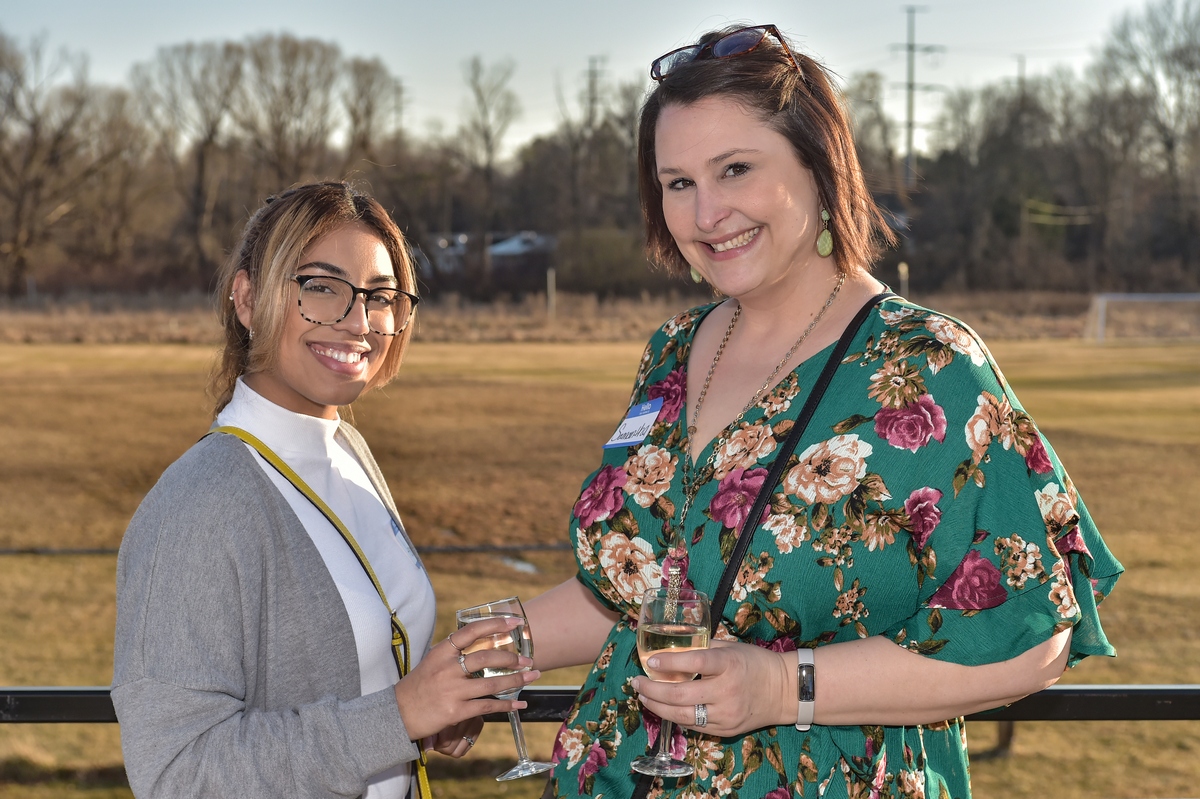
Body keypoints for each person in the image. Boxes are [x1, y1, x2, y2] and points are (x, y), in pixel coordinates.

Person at [524, 25, 1122, 799]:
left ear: (817, 163)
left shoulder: (927, 362)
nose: (706, 214)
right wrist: (492, 646)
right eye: (678, 183)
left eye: (735, 169)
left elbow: (1034, 632)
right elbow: (631, 589)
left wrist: (782, 686)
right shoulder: (672, 351)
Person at [112, 181, 539, 799]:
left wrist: (433, 708)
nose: (359, 321)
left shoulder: (347, 451)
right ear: (249, 299)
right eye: (320, 286)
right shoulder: (198, 506)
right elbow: (178, 772)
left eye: (380, 296)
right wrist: (399, 716)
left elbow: (360, 685)